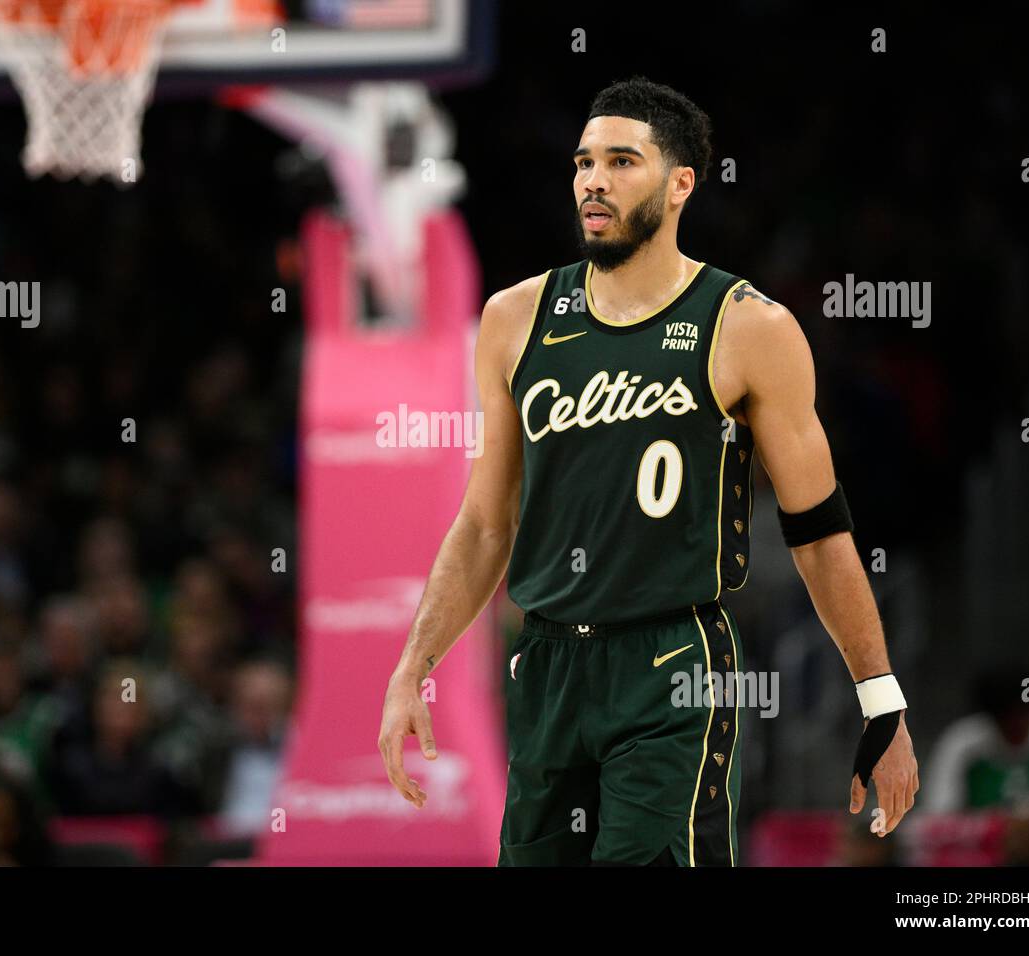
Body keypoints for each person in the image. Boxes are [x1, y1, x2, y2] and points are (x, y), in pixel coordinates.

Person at [378, 76, 918, 866]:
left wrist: (881, 700)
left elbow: (819, 532)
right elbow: (486, 523)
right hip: (549, 665)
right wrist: (411, 667)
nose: (593, 180)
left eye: (622, 161)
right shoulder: (513, 319)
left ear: (679, 185)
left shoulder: (749, 327)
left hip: (674, 666)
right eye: (583, 162)